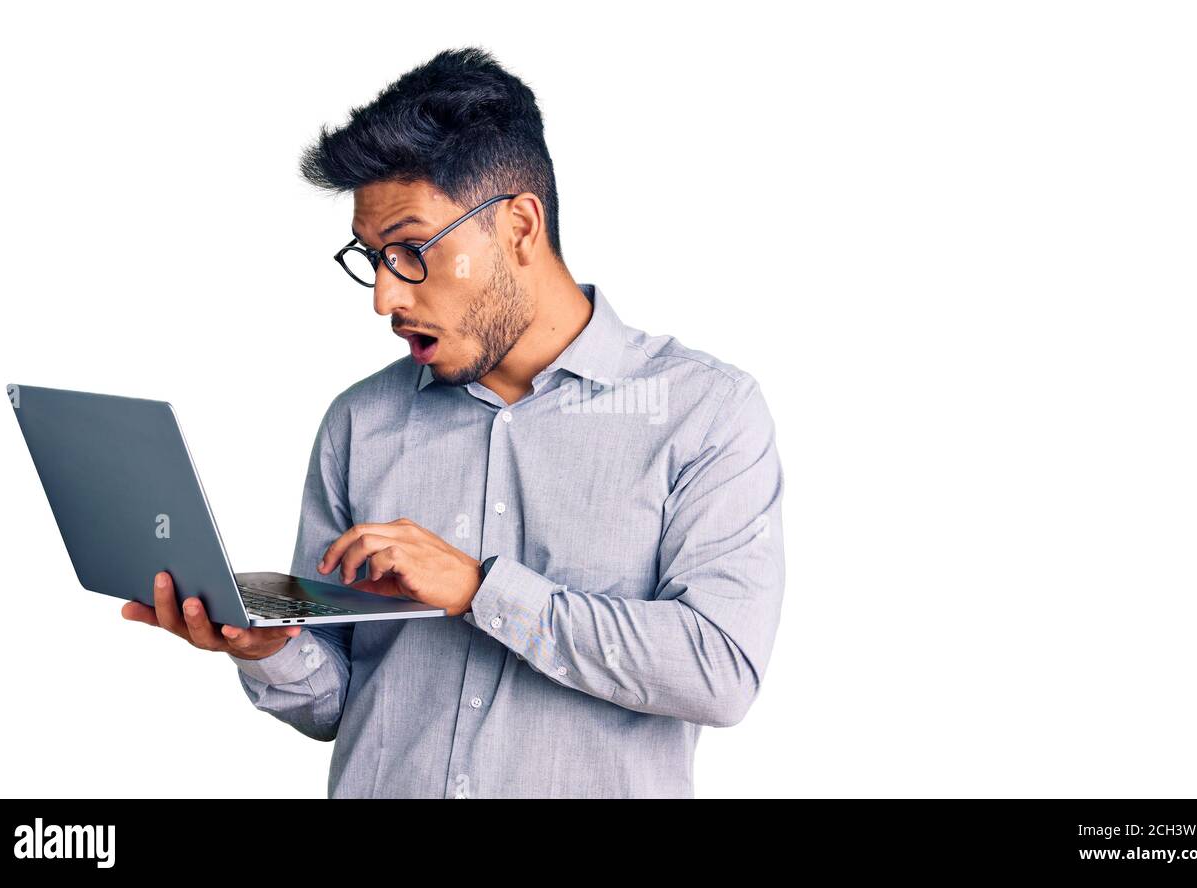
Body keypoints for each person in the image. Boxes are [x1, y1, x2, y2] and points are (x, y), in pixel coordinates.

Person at [122, 46, 785, 798]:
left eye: (411, 251)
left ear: (519, 227)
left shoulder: (702, 414)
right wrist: (270, 645)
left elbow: (718, 671)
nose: (384, 297)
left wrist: (479, 590)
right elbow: (341, 699)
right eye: (371, 258)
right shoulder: (360, 422)